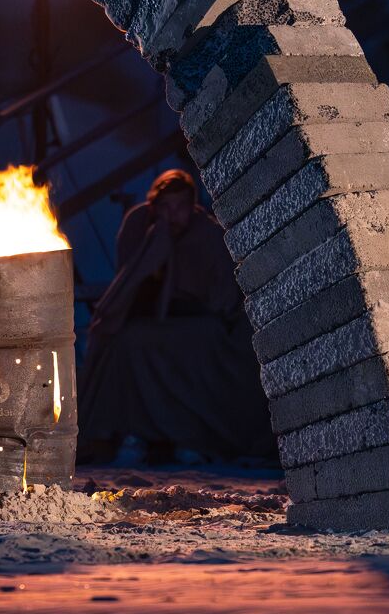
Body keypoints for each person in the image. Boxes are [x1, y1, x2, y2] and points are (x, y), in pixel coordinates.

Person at [81, 171, 272, 463]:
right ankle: (110, 434)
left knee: (141, 343)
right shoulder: (139, 224)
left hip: (205, 323)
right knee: (117, 340)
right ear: (155, 207)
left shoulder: (206, 235)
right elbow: (129, 281)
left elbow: (223, 300)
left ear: (191, 206)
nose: (173, 215)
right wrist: (154, 249)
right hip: (152, 318)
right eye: (166, 207)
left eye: (180, 207)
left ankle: (169, 436)